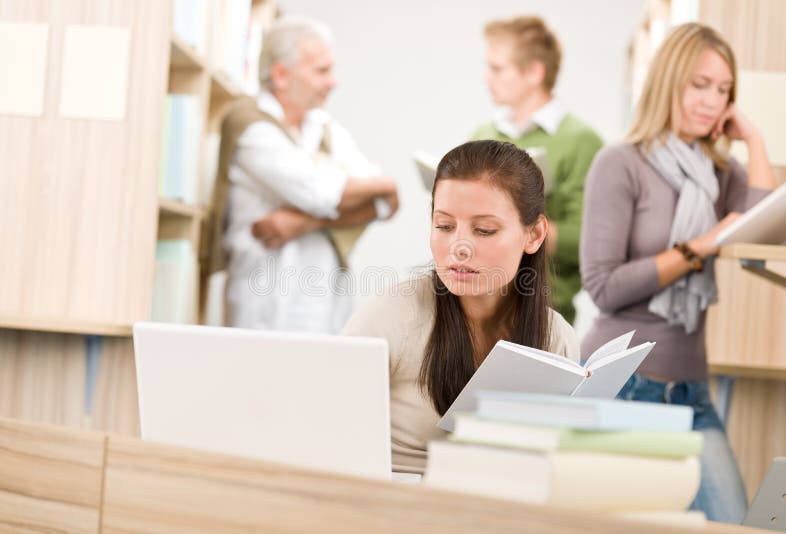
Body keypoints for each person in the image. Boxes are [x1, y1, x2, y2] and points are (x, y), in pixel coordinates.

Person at [580, 23, 777, 523]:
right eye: (700, 84)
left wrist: (752, 137)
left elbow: (767, 227)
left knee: (731, 521)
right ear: (669, 81)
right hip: (623, 384)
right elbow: (604, 286)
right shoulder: (619, 163)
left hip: (690, 388)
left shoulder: (719, 174)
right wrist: (700, 247)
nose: (713, 100)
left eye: (724, 89)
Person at [342, 140, 579, 474]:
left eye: (484, 230)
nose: (459, 247)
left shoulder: (556, 338)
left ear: (535, 234)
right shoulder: (391, 318)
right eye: (444, 226)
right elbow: (326, 433)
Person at [208, 16, 398, 333]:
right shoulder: (251, 127)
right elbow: (322, 195)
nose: (333, 82)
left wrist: (306, 223)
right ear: (281, 75)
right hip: (264, 307)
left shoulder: (325, 128)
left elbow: (383, 206)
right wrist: (382, 184)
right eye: (322, 71)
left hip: (325, 307)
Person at [471, 16, 603, 324]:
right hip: (476, 308)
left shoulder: (581, 141)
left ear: (533, 73)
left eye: (497, 68)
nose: (486, 78)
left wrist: (515, 226)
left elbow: (584, 240)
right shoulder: (482, 133)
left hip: (543, 311)